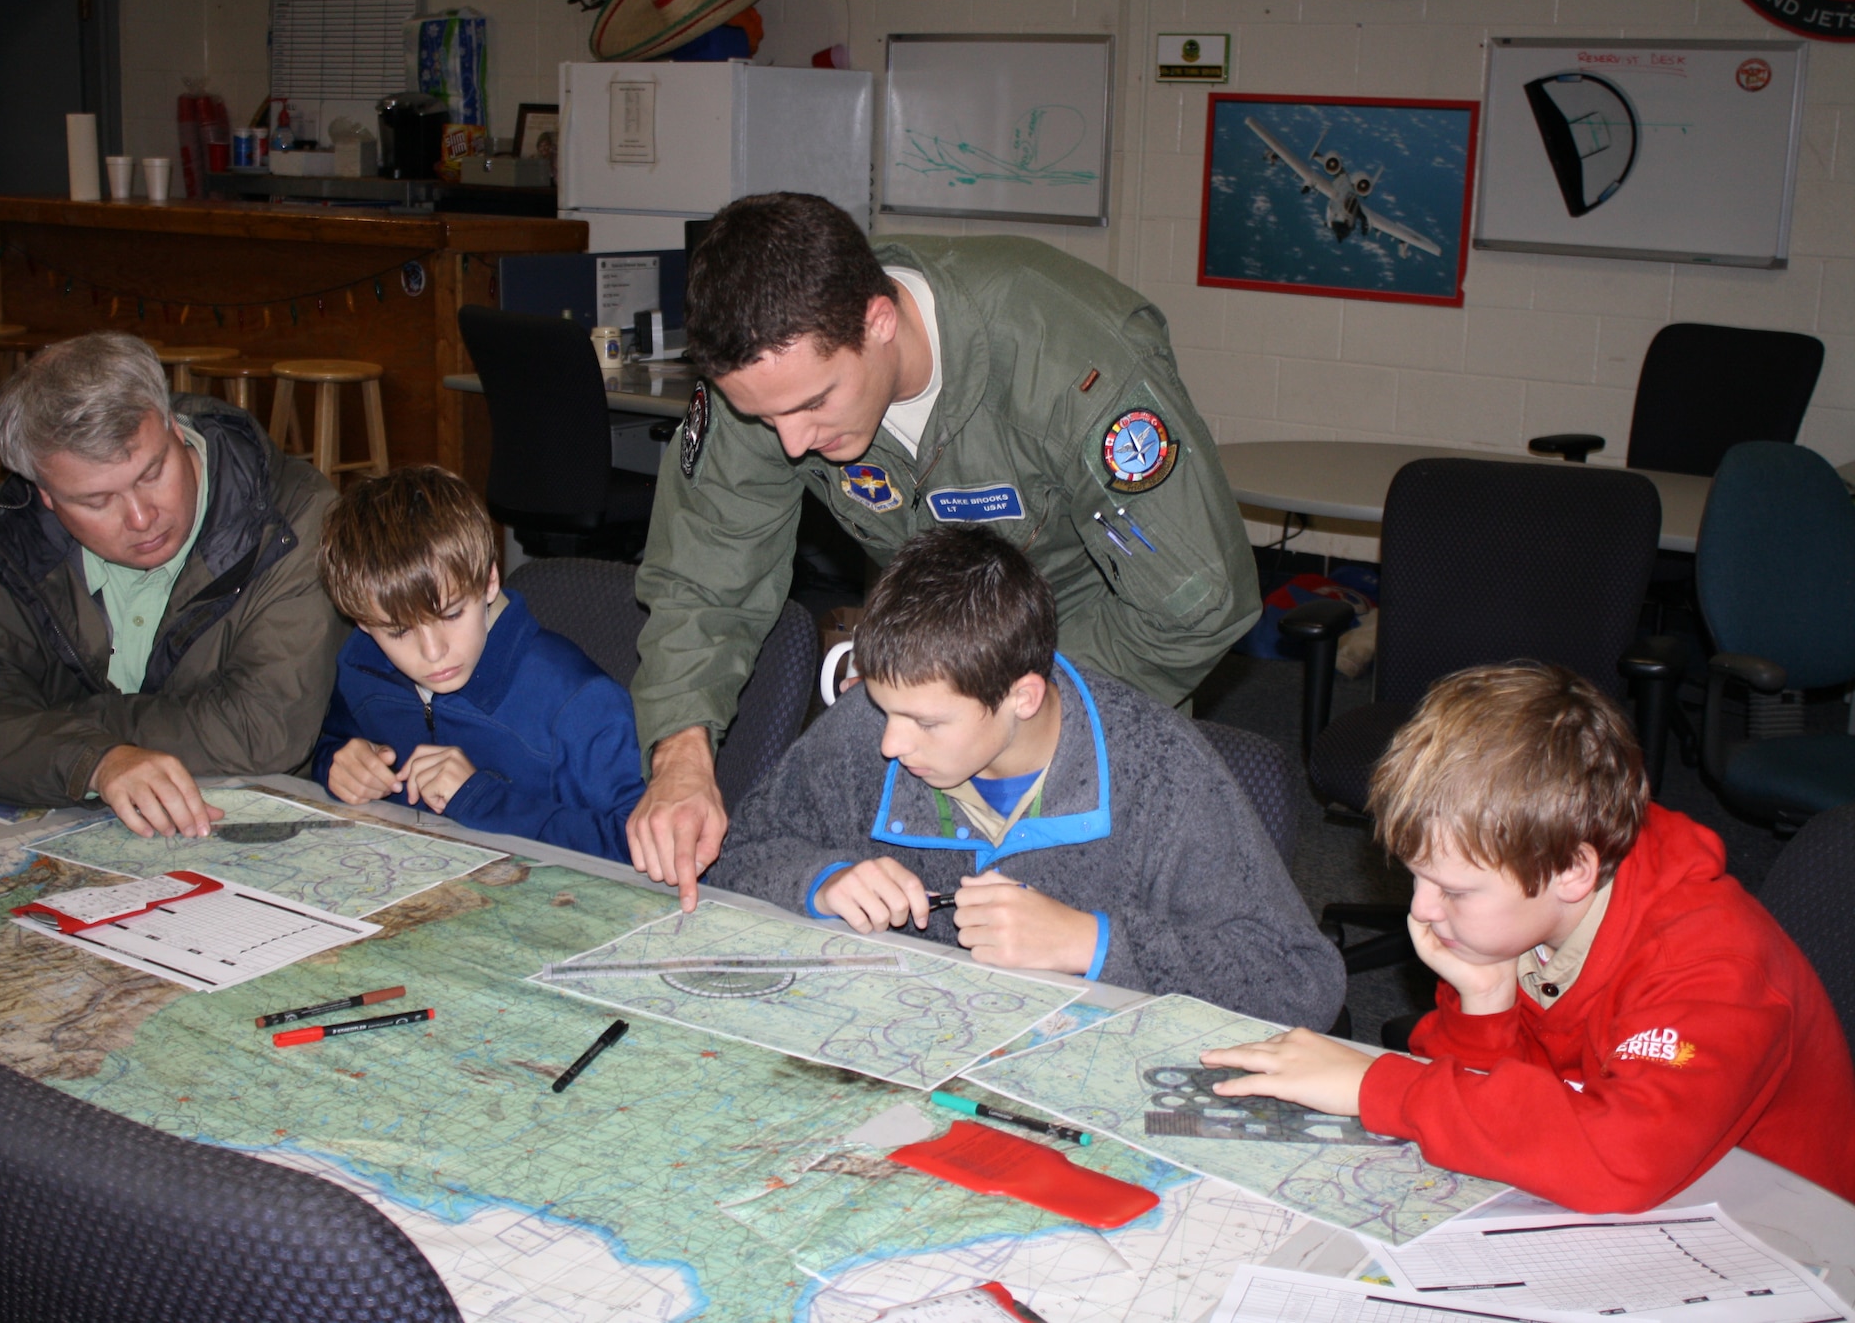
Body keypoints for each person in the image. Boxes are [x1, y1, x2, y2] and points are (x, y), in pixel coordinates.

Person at [629, 192, 1260, 907]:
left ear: (879, 321)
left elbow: (1196, 601)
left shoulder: (1068, 361)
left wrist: (1009, 709)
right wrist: (680, 755)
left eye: (812, 405)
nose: (792, 442)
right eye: (762, 416)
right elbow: (702, 579)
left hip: (1094, 664)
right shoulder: (775, 372)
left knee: (1094, 934)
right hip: (928, 683)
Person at [1202, 664, 1855, 1210]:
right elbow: (1498, 1099)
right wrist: (1486, 999)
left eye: (1453, 889)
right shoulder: (1526, 891)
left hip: (1773, 1230)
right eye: (1416, 878)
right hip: (1620, 1195)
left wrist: (1379, 1085)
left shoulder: (1715, 964)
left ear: (1574, 870)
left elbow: (1621, 1158)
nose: (1422, 909)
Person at [707, 526, 1344, 1029]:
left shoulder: (1159, 774)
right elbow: (737, 856)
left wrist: (1089, 942)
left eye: (926, 723)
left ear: (1024, 697)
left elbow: (1298, 982)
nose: (890, 743)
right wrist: (822, 882)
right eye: (882, 708)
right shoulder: (869, 724)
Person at [0, 332, 344, 838]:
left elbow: (261, 727)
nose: (141, 517)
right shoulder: (9, 535)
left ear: (175, 428)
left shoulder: (290, 519)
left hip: (253, 826)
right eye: (96, 501)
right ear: (44, 493)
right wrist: (95, 760)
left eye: (153, 472)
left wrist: (49, 733)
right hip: (74, 830)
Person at [312, 467, 643, 862]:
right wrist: (336, 765)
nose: (434, 653)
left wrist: (483, 799)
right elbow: (334, 745)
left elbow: (636, 846)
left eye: (451, 614)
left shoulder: (579, 702)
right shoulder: (361, 665)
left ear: (489, 581)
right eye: (399, 632)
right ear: (363, 623)